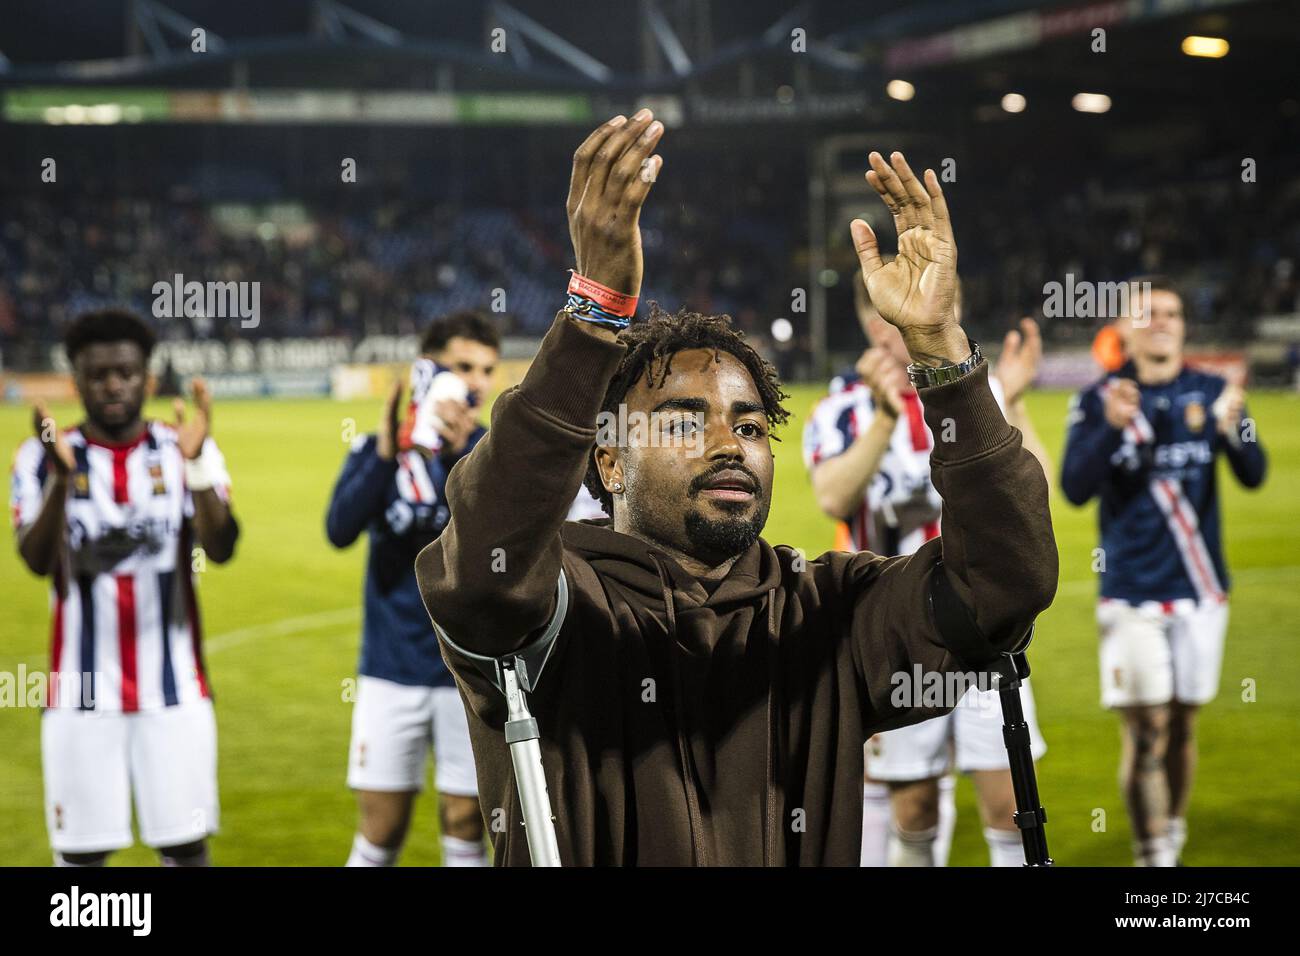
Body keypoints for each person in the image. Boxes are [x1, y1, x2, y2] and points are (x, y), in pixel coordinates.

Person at [416, 111, 1057, 865]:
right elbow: (482, 558)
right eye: (686, 423)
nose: (730, 444)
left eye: (752, 427)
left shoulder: (827, 613)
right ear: (611, 462)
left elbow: (1004, 585)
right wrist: (594, 315)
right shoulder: (552, 611)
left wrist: (941, 350)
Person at [804, 278, 1050, 867]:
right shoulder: (843, 408)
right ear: (872, 322)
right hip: (897, 631)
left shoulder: (975, 395)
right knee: (913, 807)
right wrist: (886, 421)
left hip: (988, 626)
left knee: (1009, 800)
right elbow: (835, 497)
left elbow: (1034, 495)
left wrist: (1010, 402)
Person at [10, 308, 239, 866]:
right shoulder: (42, 457)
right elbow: (36, 560)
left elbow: (224, 546)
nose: (113, 385)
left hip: (176, 691)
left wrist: (199, 468)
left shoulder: (182, 446)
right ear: (76, 382)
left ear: (149, 380)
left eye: (126, 373)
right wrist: (63, 480)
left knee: (185, 849)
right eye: (98, 374)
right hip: (79, 694)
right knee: (83, 859)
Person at [1061, 278, 1267, 866]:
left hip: (1202, 590)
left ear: (1185, 325)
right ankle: (1153, 858)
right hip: (1131, 592)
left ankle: (1170, 828)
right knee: (1147, 727)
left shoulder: (1212, 390)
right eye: (1148, 313)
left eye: (1173, 312)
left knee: (1181, 724)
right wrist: (1109, 427)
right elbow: (1074, 487)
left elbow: (1253, 474)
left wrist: (1239, 424)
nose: (1163, 322)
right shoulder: (1101, 395)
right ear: (1123, 327)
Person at [326, 311, 498, 867]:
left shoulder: (492, 455)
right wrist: (385, 449)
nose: (475, 381)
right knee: (381, 828)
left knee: (466, 823)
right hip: (389, 668)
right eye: (463, 366)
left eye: (486, 370)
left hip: (469, 669)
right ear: (429, 368)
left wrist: (454, 458)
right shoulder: (382, 451)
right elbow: (339, 529)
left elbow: (500, 548)